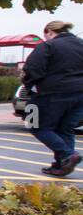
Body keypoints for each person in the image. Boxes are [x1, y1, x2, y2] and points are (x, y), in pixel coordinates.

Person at [23, 20, 83, 177]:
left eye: (45, 35)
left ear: (50, 32)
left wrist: (31, 86)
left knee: (35, 125)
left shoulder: (48, 46)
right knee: (65, 129)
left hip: (51, 94)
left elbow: (32, 68)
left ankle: (68, 155)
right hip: (80, 95)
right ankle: (61, 165)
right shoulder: (81, 44)